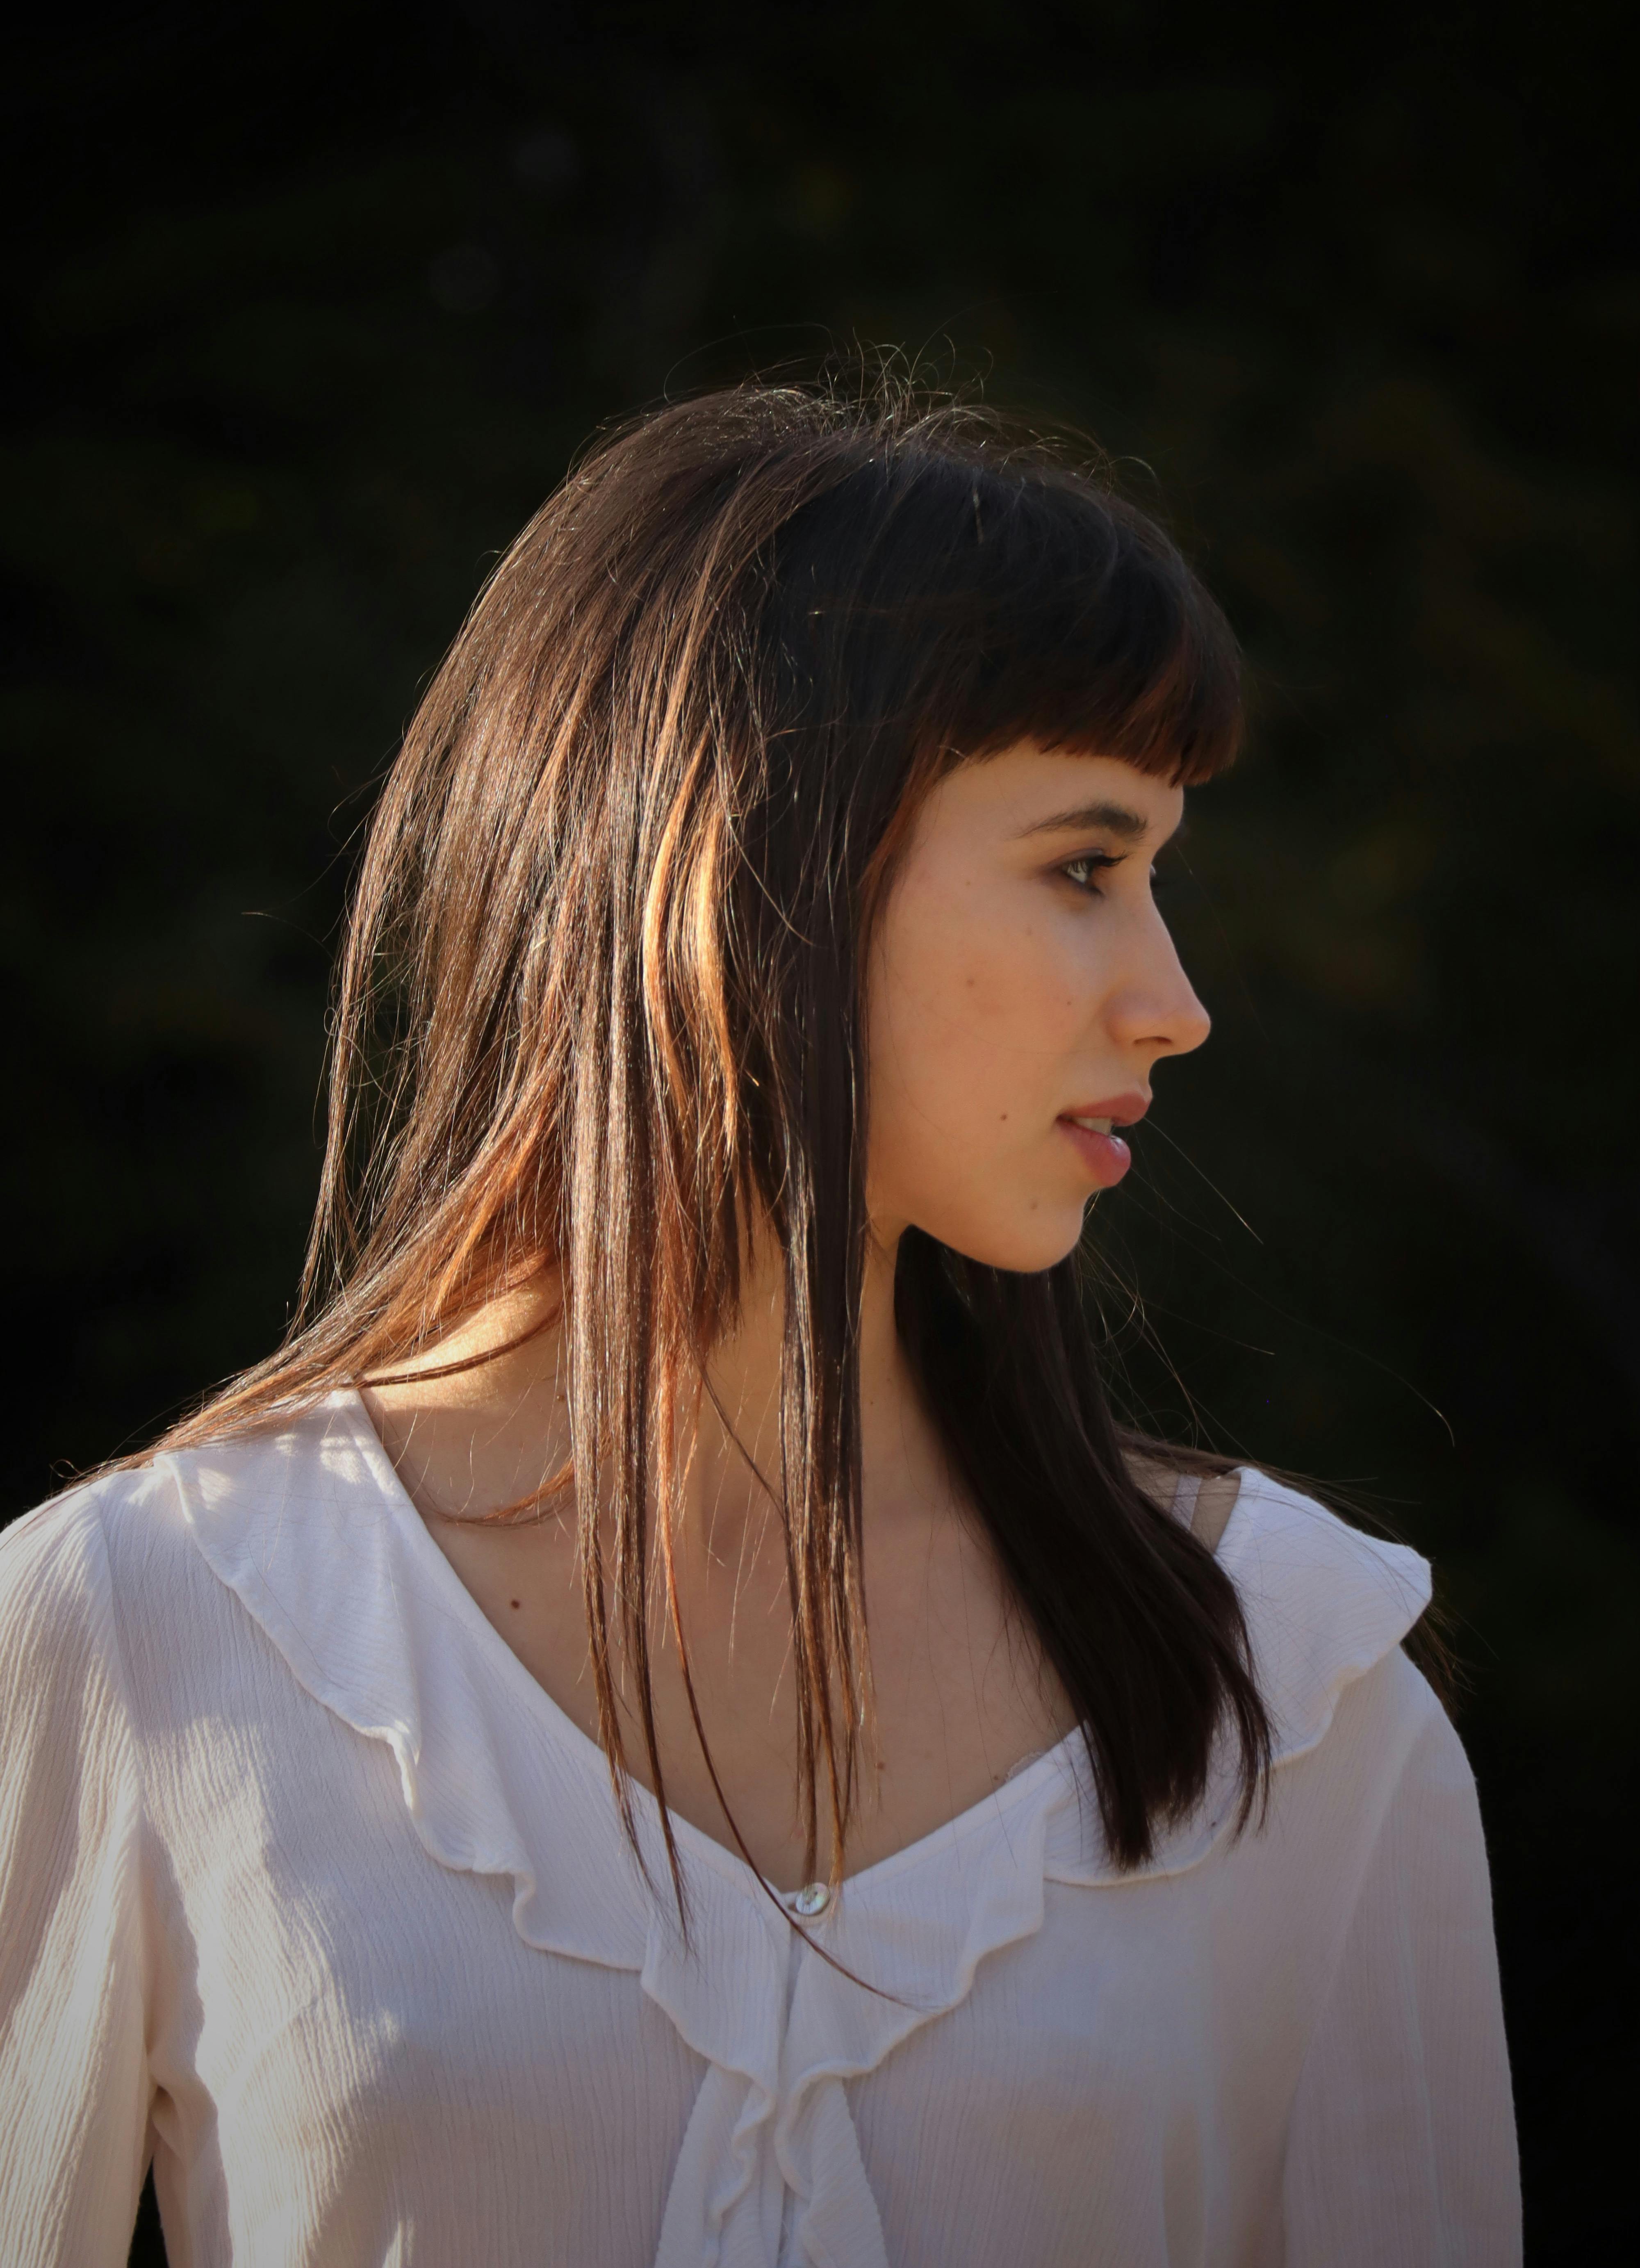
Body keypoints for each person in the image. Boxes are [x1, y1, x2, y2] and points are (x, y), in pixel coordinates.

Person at [0, 381, 1519, 2266]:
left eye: (1158, 877)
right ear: (744, 864)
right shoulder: (144, 1630)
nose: (1172, 999)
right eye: (1083, 866)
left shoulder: (1295, 1683)